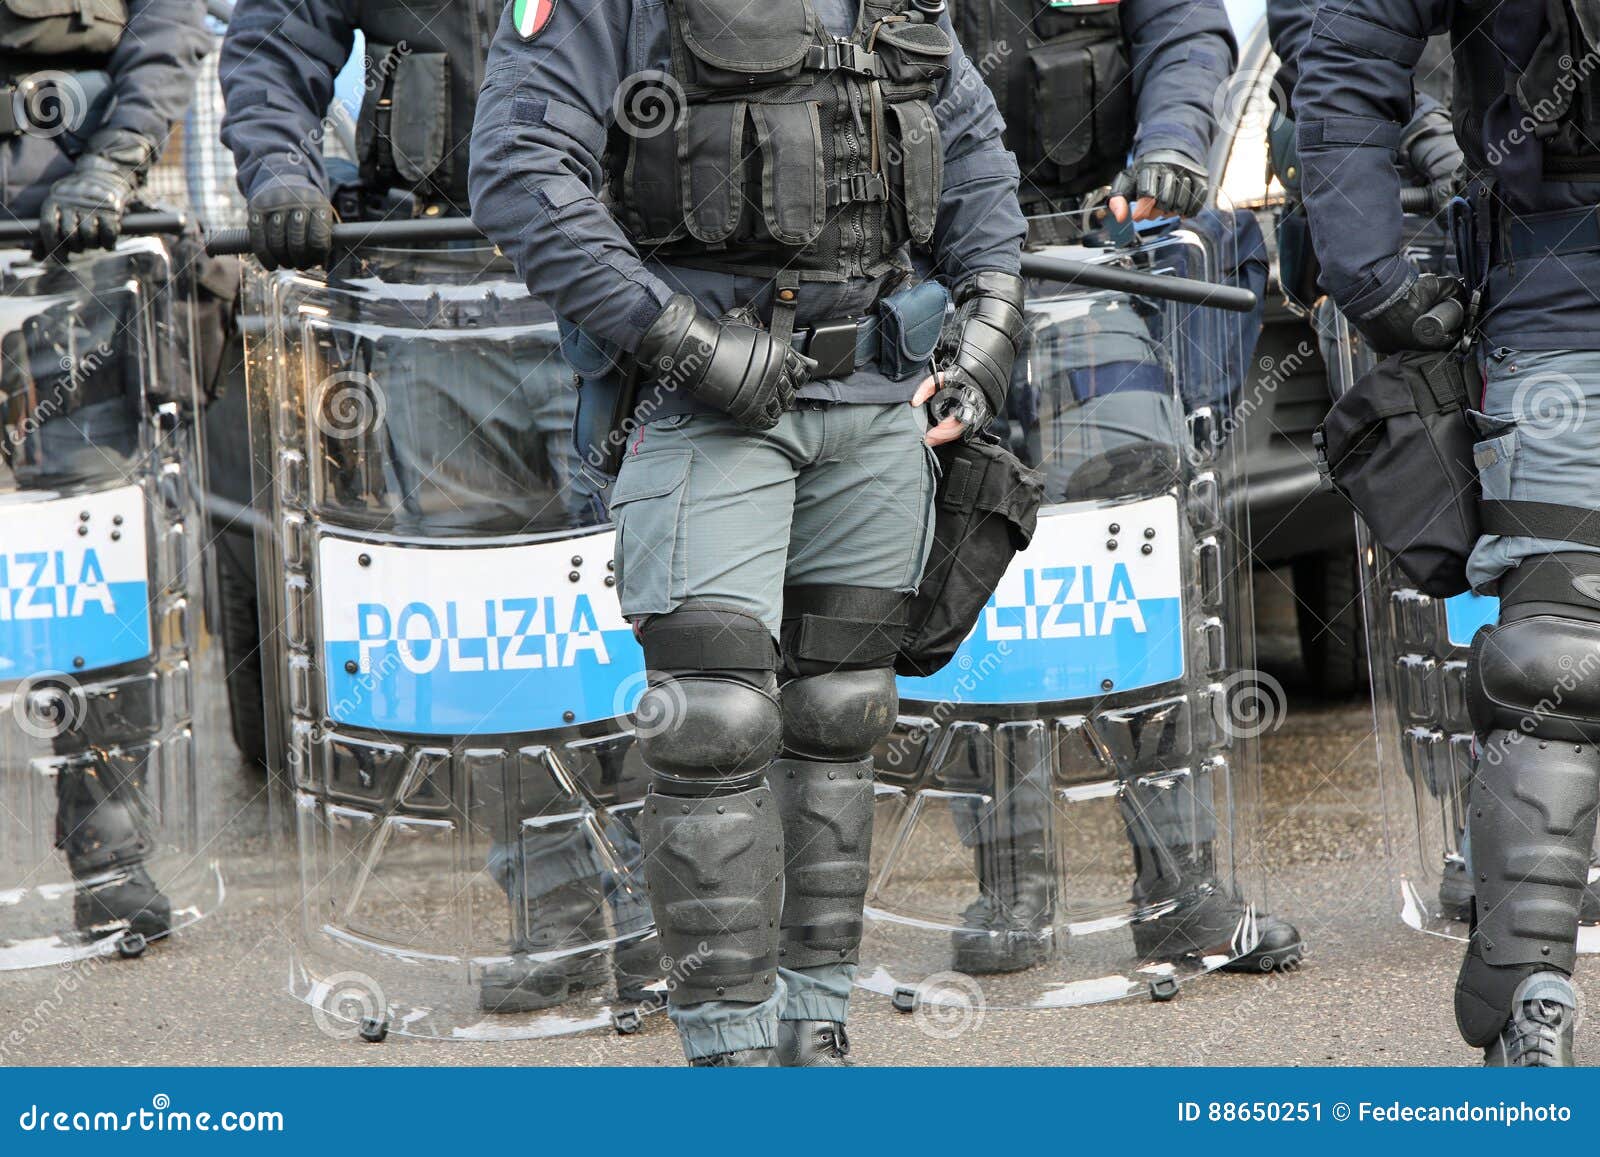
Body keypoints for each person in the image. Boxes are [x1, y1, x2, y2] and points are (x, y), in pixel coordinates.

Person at [470, 0, 1027, 1066]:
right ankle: (728, 1050)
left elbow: (975, 160)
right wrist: (679, 340)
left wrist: (989, 321)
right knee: (712, 723)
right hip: (702, 404)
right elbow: (519, 170)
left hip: (872, 397)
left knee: (842, 710)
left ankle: (814, 1021)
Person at [218, 0, 653, 1013]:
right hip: (429, 296)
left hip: (610, 283)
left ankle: (659, 904)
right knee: (481, 632)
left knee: (642, 612)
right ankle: (551, 910)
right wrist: (281, 170)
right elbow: (276, 41)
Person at [939, 0, 1303, 976]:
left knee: (1129, 561)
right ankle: (1009, 889)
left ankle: (1179, 887)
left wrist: (1174, 143)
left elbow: (1184, 29)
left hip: (1093, 265)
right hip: (932, 277)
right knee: (960, 572)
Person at [1295, 0, 1600, 1066]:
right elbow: (1342, 58)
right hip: (1562, 295)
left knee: (1559, 649)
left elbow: (1341, 66)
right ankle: (1529, 1010)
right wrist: (1371, 278)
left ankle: (1528, 1013)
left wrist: (1374, 282)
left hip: (1552, 301)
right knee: (1557, 654)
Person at [0, 0, 210, 945]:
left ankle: (110, 852)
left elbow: (167, 36)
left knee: (91, 566)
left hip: (70, 256)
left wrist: (112, 165)